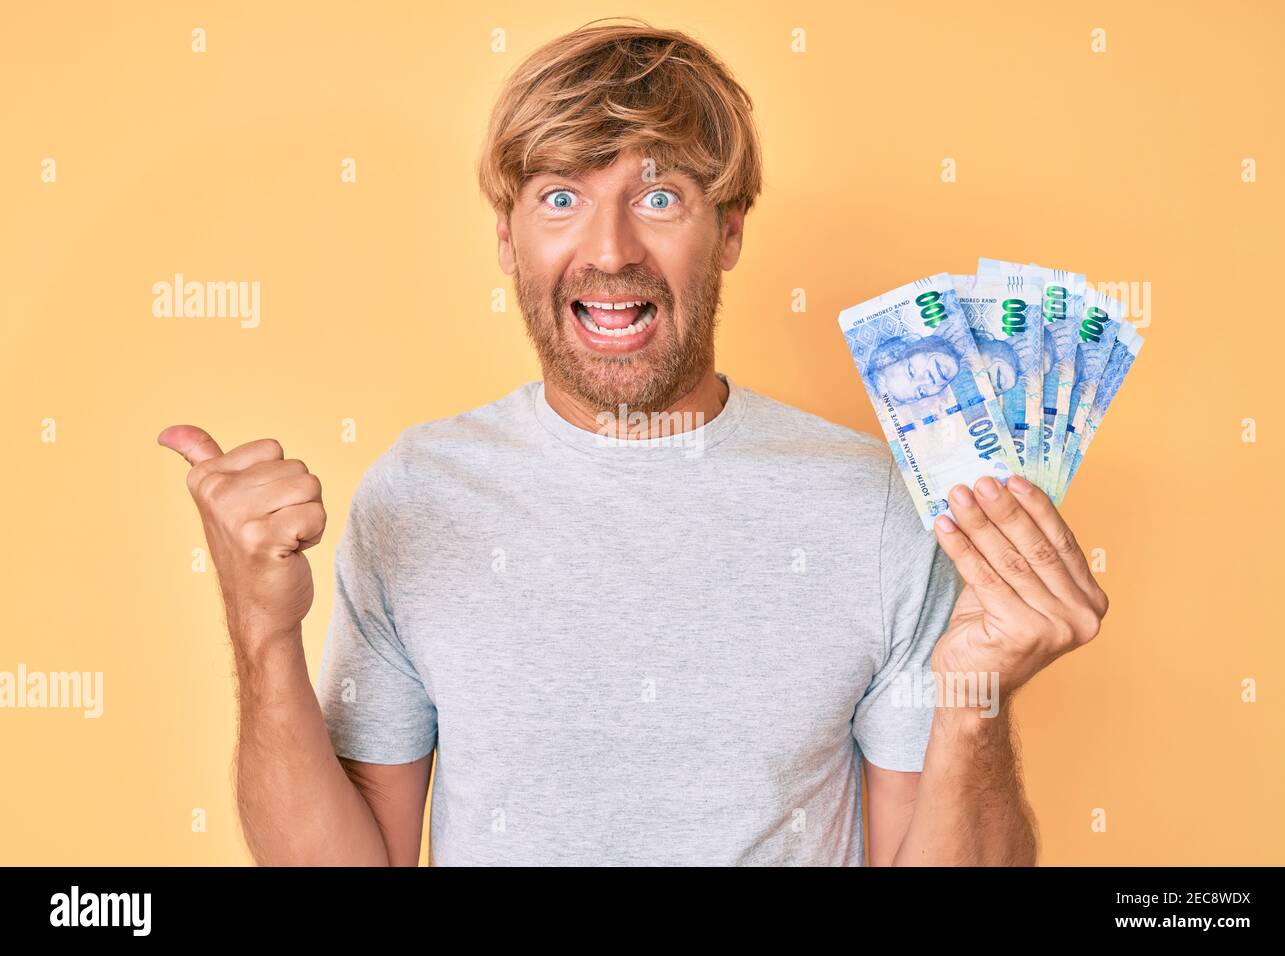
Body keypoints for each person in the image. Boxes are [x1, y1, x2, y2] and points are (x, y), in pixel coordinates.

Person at [158, 18, 1108, 866]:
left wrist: (976, 698)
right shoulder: (417, 493)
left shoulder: (872, 506)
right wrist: (262, 632)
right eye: (560, 199)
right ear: (506, 238)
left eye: (660, 200)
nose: (609, 251)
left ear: (729, 231)